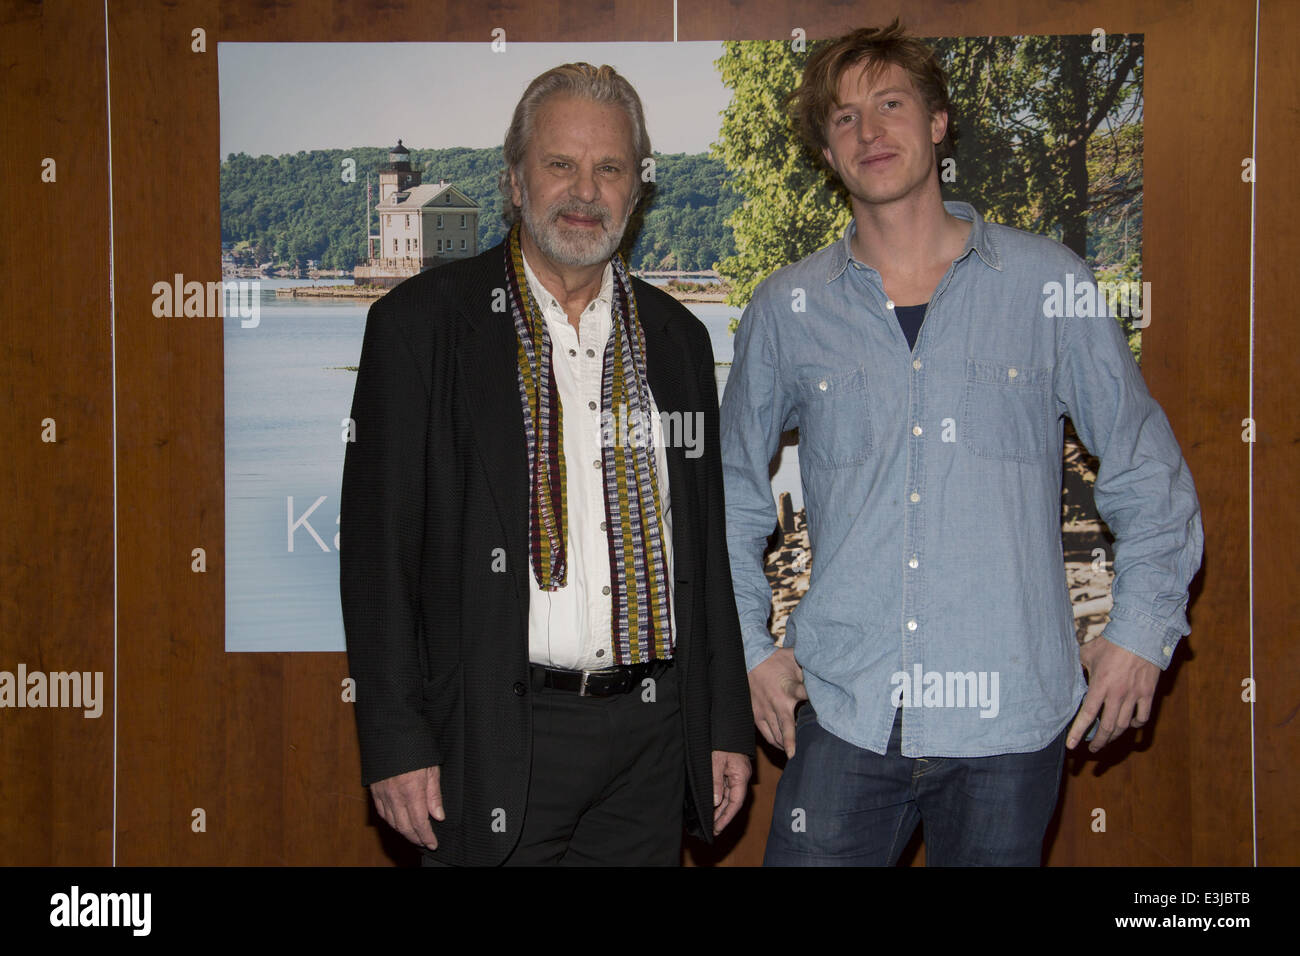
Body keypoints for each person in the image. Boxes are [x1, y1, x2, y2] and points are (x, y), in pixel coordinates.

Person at [721, 22, 1203, 866]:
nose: (869, 132)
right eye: (843, 119)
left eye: (891, 105)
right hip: (844, 712)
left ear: (938, 124)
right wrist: (751, 650)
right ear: (827, 154)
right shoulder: (783, 311)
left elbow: (1144, 467)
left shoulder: (1052, 285)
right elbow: (726, 496)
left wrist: (1142, 632)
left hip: (1009, 723)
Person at [340, 62, 753, 866]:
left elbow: (702, 554)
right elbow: (376, 555)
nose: (584, 190)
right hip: (493, 734)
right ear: (514, 178)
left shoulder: (678, 343)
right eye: (560, 163)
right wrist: (394, 738)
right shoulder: (421, 328)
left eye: (610, 168)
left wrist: (722, 722)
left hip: (652, 742)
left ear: (638, 190)